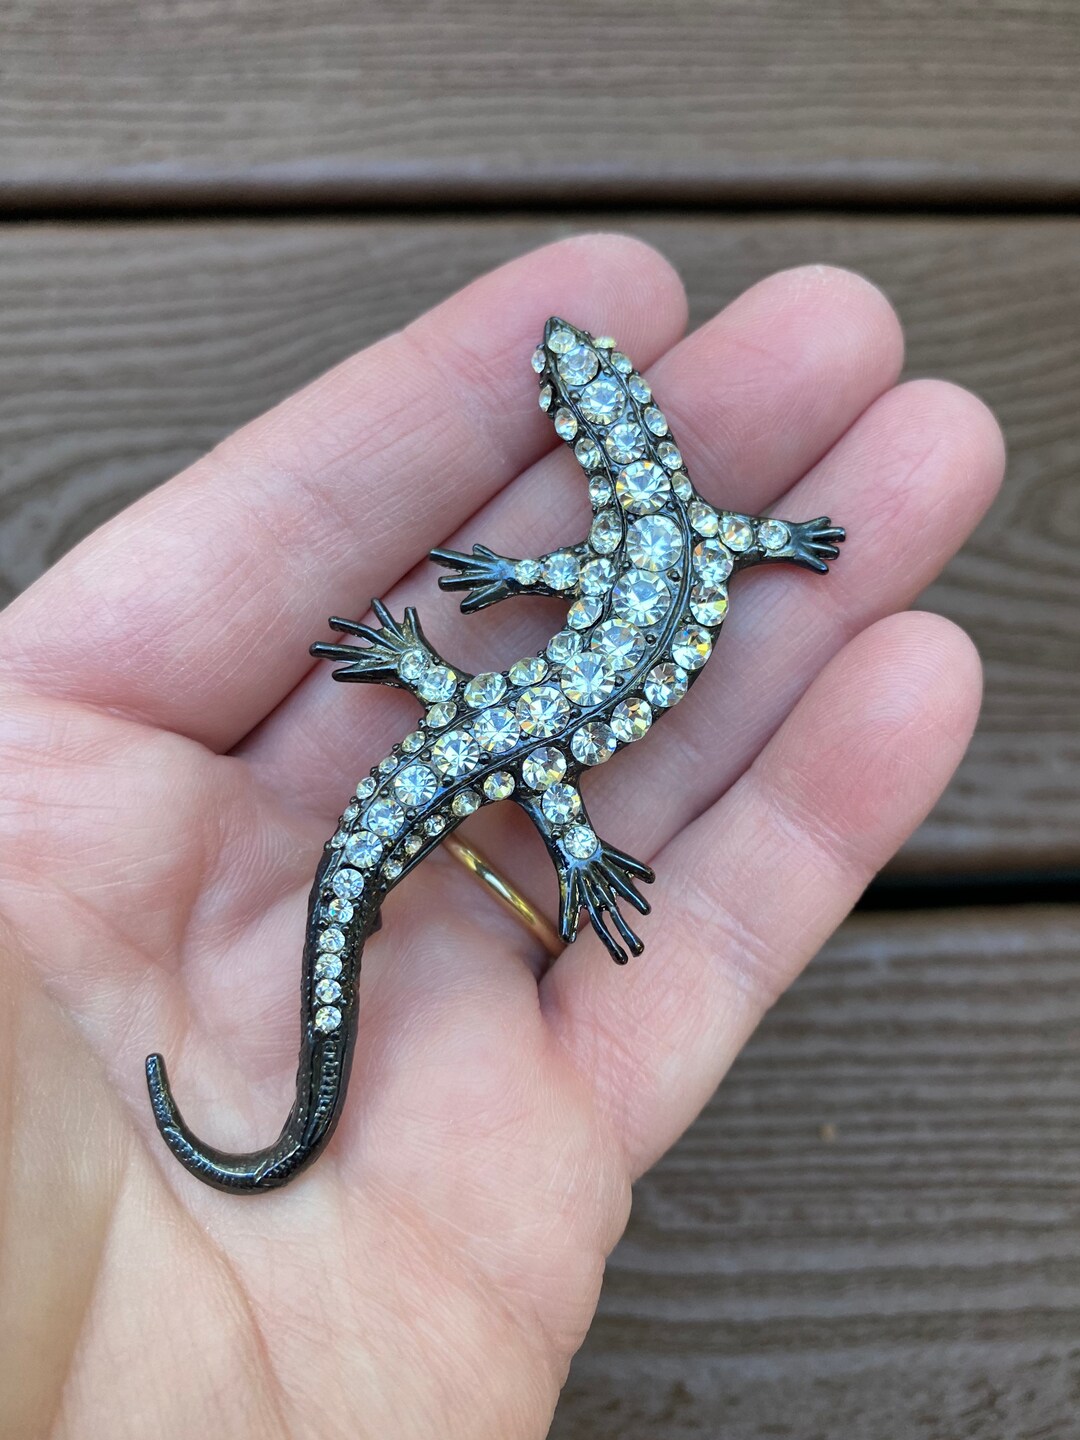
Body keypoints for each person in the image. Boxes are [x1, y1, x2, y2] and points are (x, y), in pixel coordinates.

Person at [0, 235, 1003, 1438]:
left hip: (505, 726)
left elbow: (591, 568)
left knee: (510, 741)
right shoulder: (685, 521)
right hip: (519, 732)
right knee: (509, 756)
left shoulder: (638, 536)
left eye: (580, 397)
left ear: (601, 432)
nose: (570, 391)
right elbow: (702, 544)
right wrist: (769, 545)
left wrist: (504, 620)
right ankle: (490, 801)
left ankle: (477, 765)